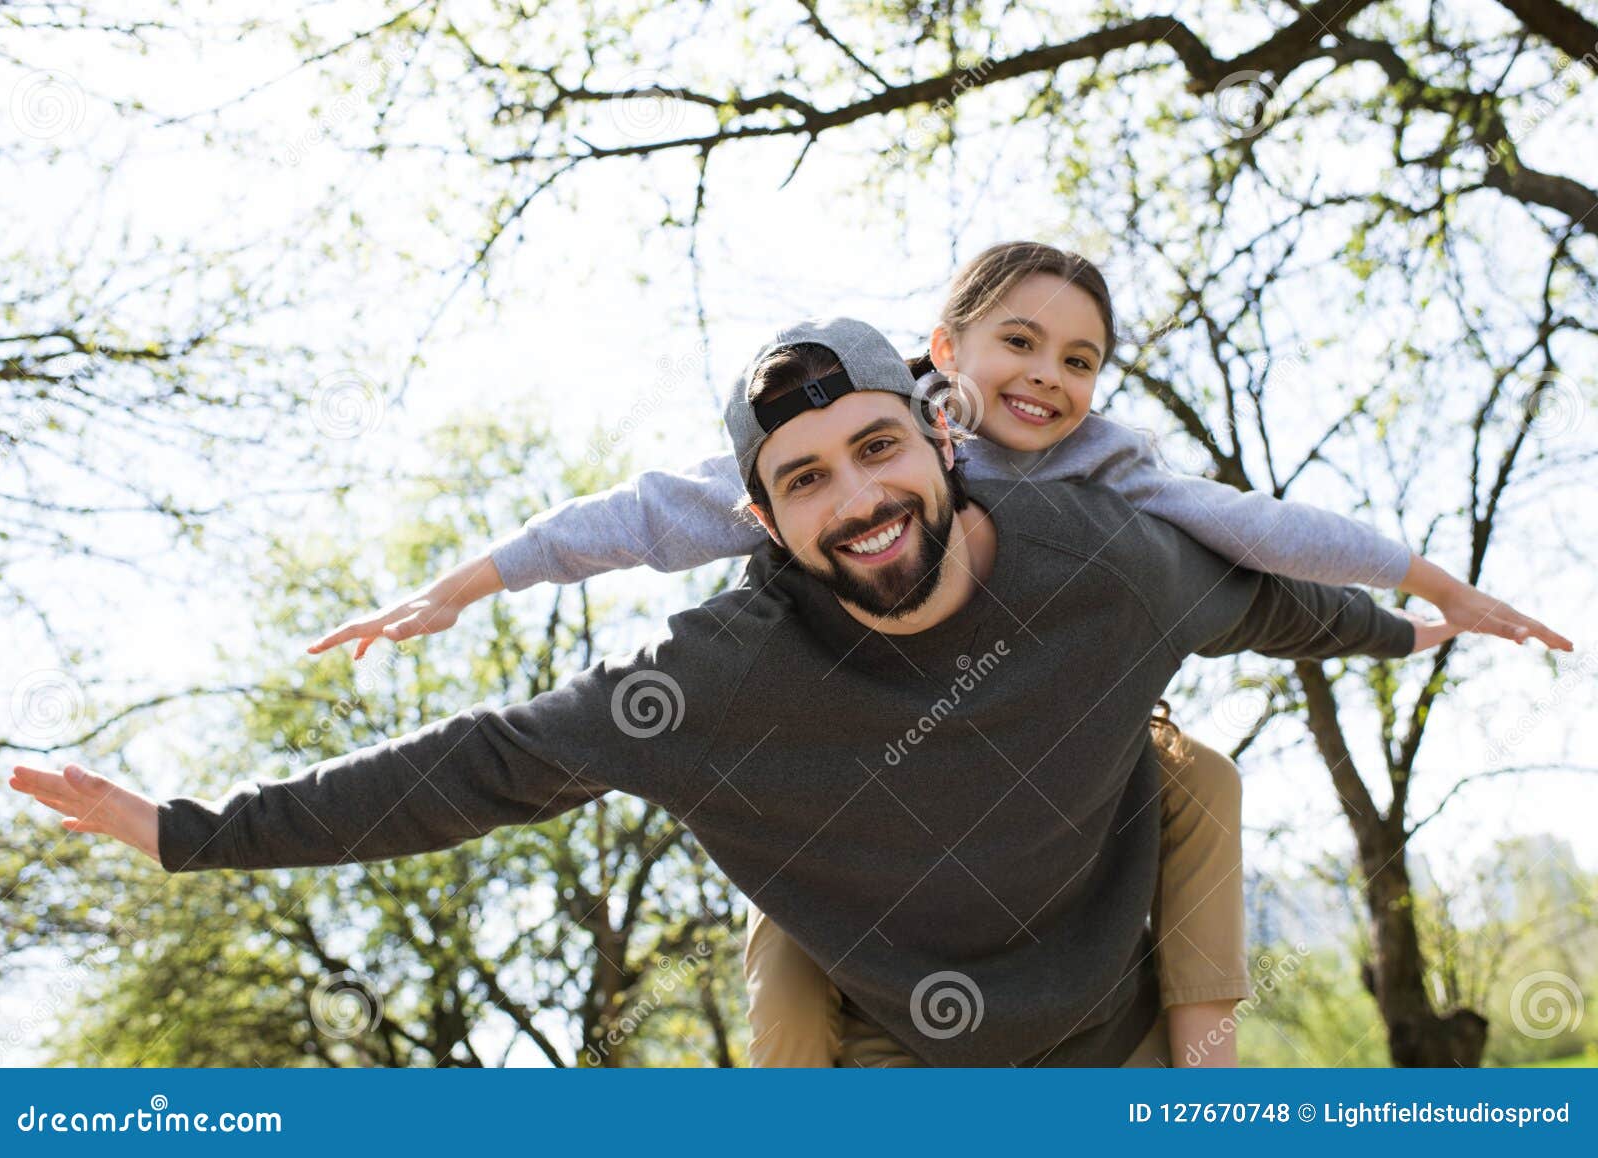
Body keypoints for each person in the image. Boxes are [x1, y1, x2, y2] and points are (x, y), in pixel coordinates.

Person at [11, 316, 1470, 1067]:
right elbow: (471, 767)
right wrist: (186, 831)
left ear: (944, 441)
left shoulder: (1100, 558)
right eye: (806, 480)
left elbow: (1269, 602)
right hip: (905, 1062)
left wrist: (1419, 631)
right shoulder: (707, 683)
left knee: (1193, 774)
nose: (860, 500)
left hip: (1134, 1037)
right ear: (761, 523)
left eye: (878, 447)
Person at [304, 243, 1568, 1066]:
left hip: (1064, 736)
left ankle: (1204, 1066)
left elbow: (1255, 550)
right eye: (1016, 344)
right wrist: (459, 586)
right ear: (942, 355)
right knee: (795, 936)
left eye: (1079, 360)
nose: (1047, 380)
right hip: (844, 761)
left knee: (1205, 783)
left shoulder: (1104, 475)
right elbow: (634, 521)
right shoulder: (854, 427)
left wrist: (1418, 596)